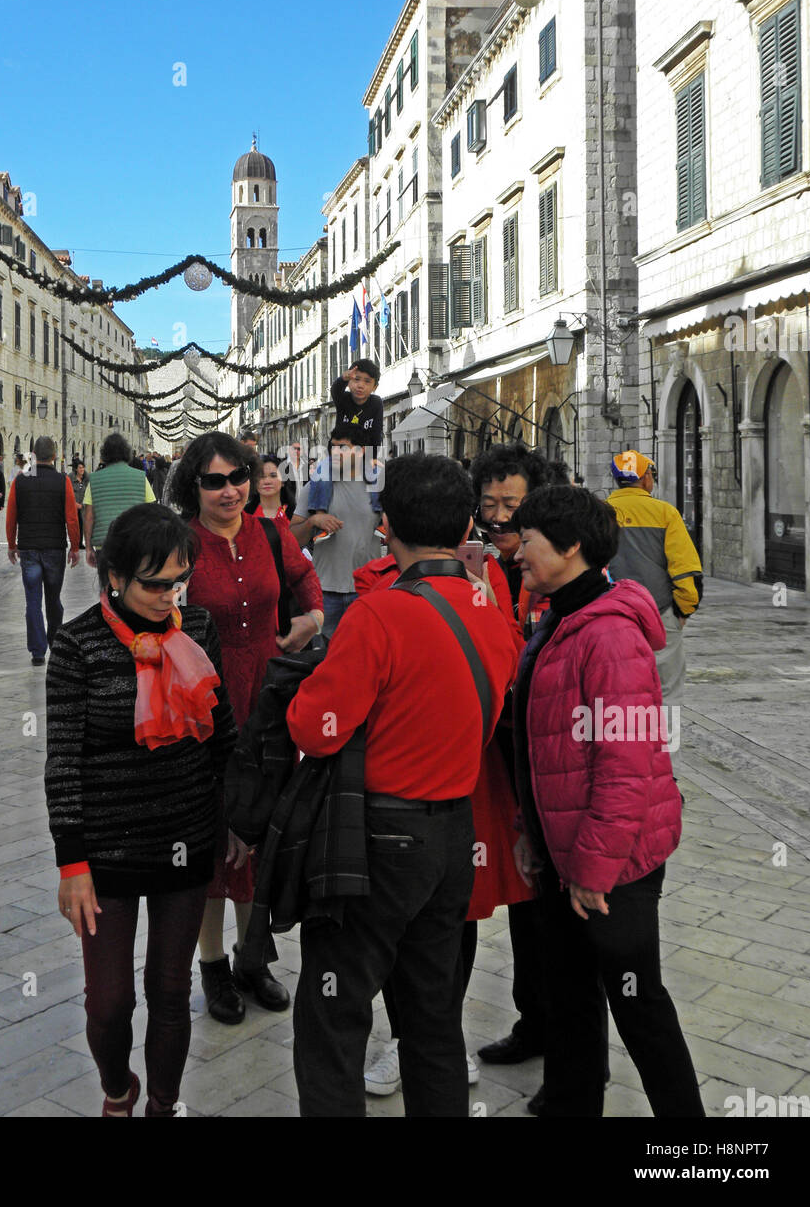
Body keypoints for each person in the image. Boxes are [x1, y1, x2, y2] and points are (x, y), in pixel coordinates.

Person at [286, 453, 519, 1117]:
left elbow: (314, 729)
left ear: (384, 527)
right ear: (468, 522)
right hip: (452, 834)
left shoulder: (378, 616)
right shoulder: (490, 615)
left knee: (333, 1014)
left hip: (376, 841)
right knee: (433, 1019)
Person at [511, 483, 703, 1118]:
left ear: (569, 548)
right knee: (569, 993)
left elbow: (625, 769)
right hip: (565, 849)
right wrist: (532, 833)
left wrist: (594, 870)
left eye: (528, 542)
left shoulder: (609, 637)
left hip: (611, 862)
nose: (517, 555)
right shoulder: (562, 614)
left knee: (636, 1000)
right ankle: (571, 1102)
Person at [46, 504, 239, 1117]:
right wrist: (71, 863)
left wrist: (234, 816)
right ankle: (116, 1087)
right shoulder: (77, 644)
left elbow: (222, 731)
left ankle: (161, 1104)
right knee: (108, 1003)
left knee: (170, 991)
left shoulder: (198, 629)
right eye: (154, 583)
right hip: (105, 847)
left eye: (177, 580)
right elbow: (63, 762)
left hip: (185, 831)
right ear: (115, 577)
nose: (168, 596)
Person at [351, 536, 526, 1099]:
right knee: (401, 923)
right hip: (395, 780)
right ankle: (408, 1038)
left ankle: (438, 1036)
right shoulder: (374, 579)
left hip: (465, 772)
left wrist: (488, 608)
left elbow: (510, 659)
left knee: (458, 914)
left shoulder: (487, 577)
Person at [172, 432, 323, 1024]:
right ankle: (212, 967)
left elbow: (305, 580)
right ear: (195, 485)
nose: (230, 490)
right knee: (214, 834)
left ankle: (251, 956)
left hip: (268, 696)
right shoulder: (181, 540)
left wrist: (311, 618)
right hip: (204, 703)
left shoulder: (269, 532)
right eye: (215, 480)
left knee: (262, 830)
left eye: (238, 477)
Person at [468, 442, 553, 1071]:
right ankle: (531, 1020)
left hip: (547, 761)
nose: (498, 518)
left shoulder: (549, 570)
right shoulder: (479, 567)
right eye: (488, 504)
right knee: (509, 896)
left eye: (511, 506)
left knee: (546, 904)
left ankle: (553, 1030)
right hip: (498, 754)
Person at [606, 450, 703, 708]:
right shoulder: (665, 513)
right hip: (659, 614)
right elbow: (685, 569)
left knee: (616, 693)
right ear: (646, 477)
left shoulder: (600, 512)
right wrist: (683, 611)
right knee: (666, 694)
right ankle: (665, 748)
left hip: (611, 616)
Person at [289, 427, 381, 640]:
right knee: (322, 661)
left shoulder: (379, 489)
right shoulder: (315, 488)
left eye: (343, 447)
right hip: (324, 593)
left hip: (368, 591)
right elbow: (291, 539)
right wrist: (313, 521)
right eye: (333, 447)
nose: (336, 453)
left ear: (361, 451)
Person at [7, 436, 81, 666]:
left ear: (34, 456)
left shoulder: (20, 481)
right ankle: (55, 645)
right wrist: (75, 547)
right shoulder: (63, 481)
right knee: (53, 599)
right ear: (55, 456)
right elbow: (71, 516)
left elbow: (11, 516)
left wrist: (11, 544)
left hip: (28, 547)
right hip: (54, 548)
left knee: (32, 600)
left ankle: (38, 651)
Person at [83, 433, 155, 567]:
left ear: (104, 454)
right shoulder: (140, 477)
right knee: (132, 584)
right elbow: (151, 512)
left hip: (104, 543)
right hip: (134, 542)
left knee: (107, 585)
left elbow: (89, 516)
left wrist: (88, 548)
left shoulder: (94, 480)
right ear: (127, 453)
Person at [331, 359, 383, 454]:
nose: (360, 385)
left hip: (364, 455)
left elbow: (376, 434)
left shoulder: (376, 403)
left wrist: (372, 458)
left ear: (375, 387)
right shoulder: (343, 398)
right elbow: (335, 390)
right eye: (356, 379)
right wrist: (343, 378)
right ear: (348, 383)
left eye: (367, 381)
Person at [245, 453, 295, 521]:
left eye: (273, 476)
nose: (267, 481)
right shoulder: (245, 514)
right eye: (261, 476)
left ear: (283, 481)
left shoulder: (295, 513)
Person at [69, 460, 89, 548]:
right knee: (73, 525)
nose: (82, 469)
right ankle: (74, 542)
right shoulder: (70, 478)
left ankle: (80, 543)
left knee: (82, 525)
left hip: (82, 506)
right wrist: (74, 503)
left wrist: (82, 505)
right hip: (73, 505)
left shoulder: (86, 478)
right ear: (76, 469)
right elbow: (68, 492)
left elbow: (89, 492)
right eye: (80, 468)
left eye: (83, 467)